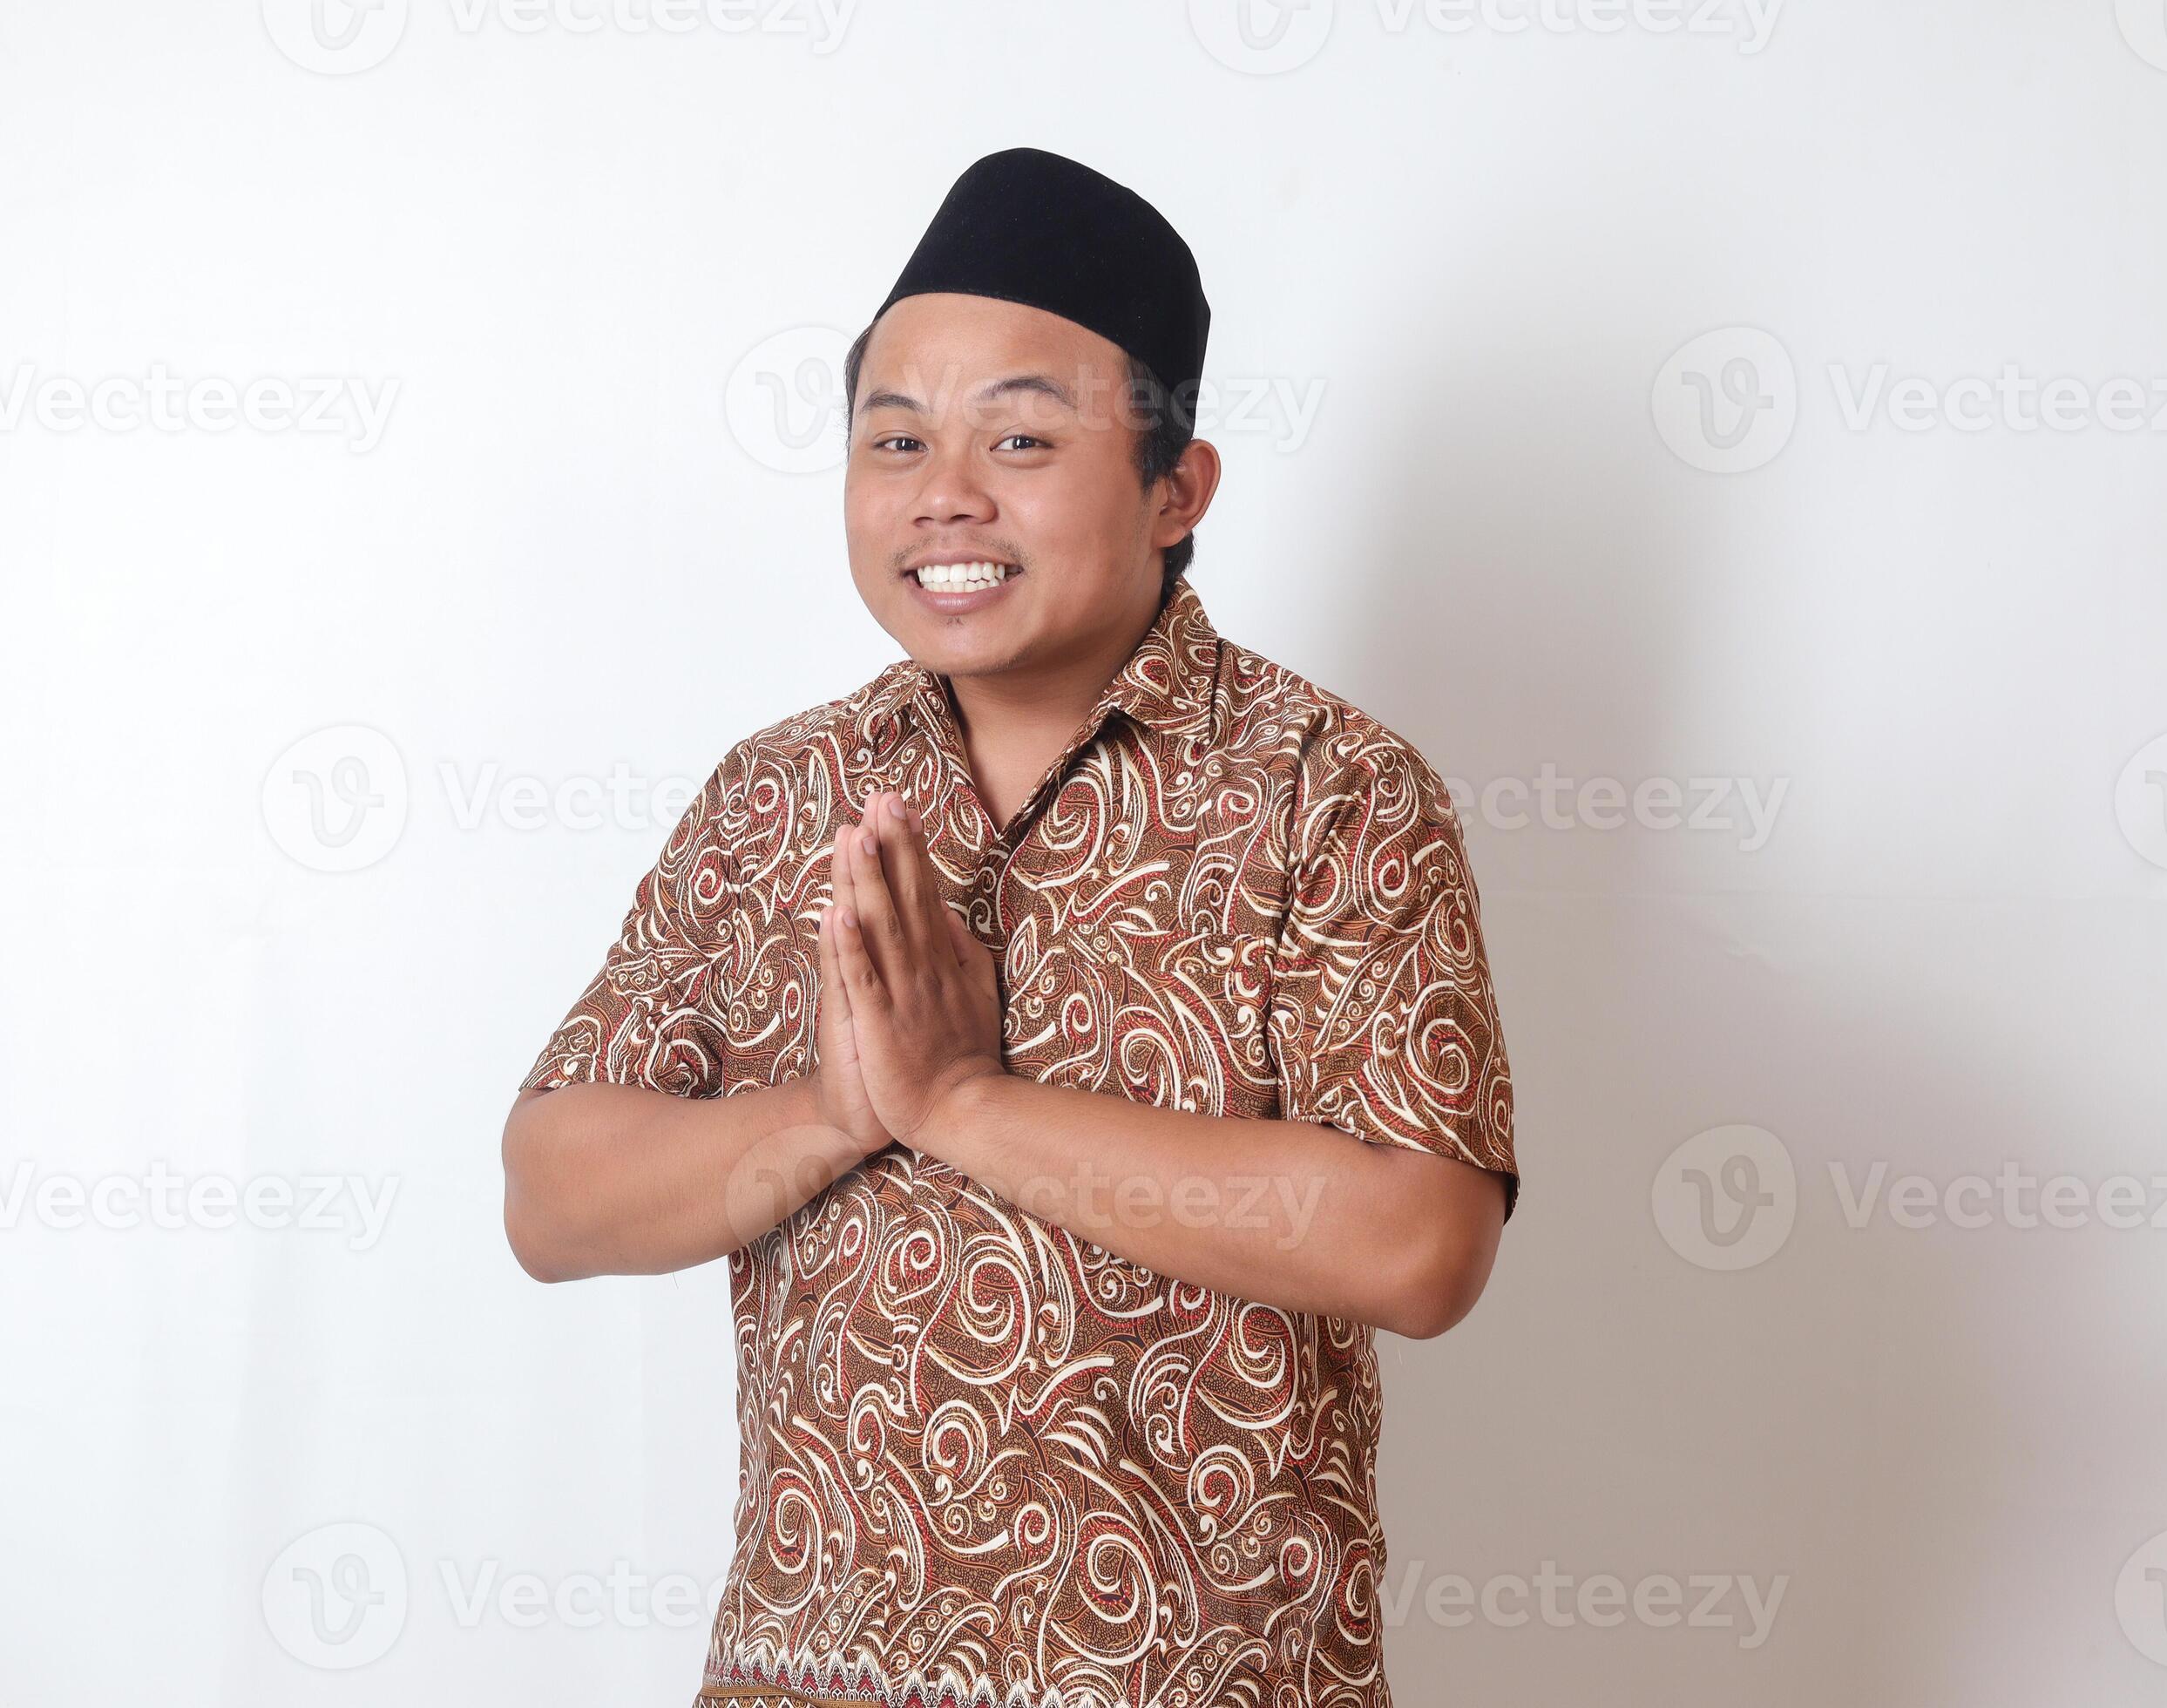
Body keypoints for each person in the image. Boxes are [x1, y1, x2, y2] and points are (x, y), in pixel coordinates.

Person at [504, 145, 1518, 1708]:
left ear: (1177, 487)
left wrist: (966, 1106)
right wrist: (840, 1112)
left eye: (1023, 437)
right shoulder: (781, 793)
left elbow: (1418, 1241)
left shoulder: (1333, 793)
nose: (943, 497)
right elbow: (552, 1195)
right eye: (892, 439)